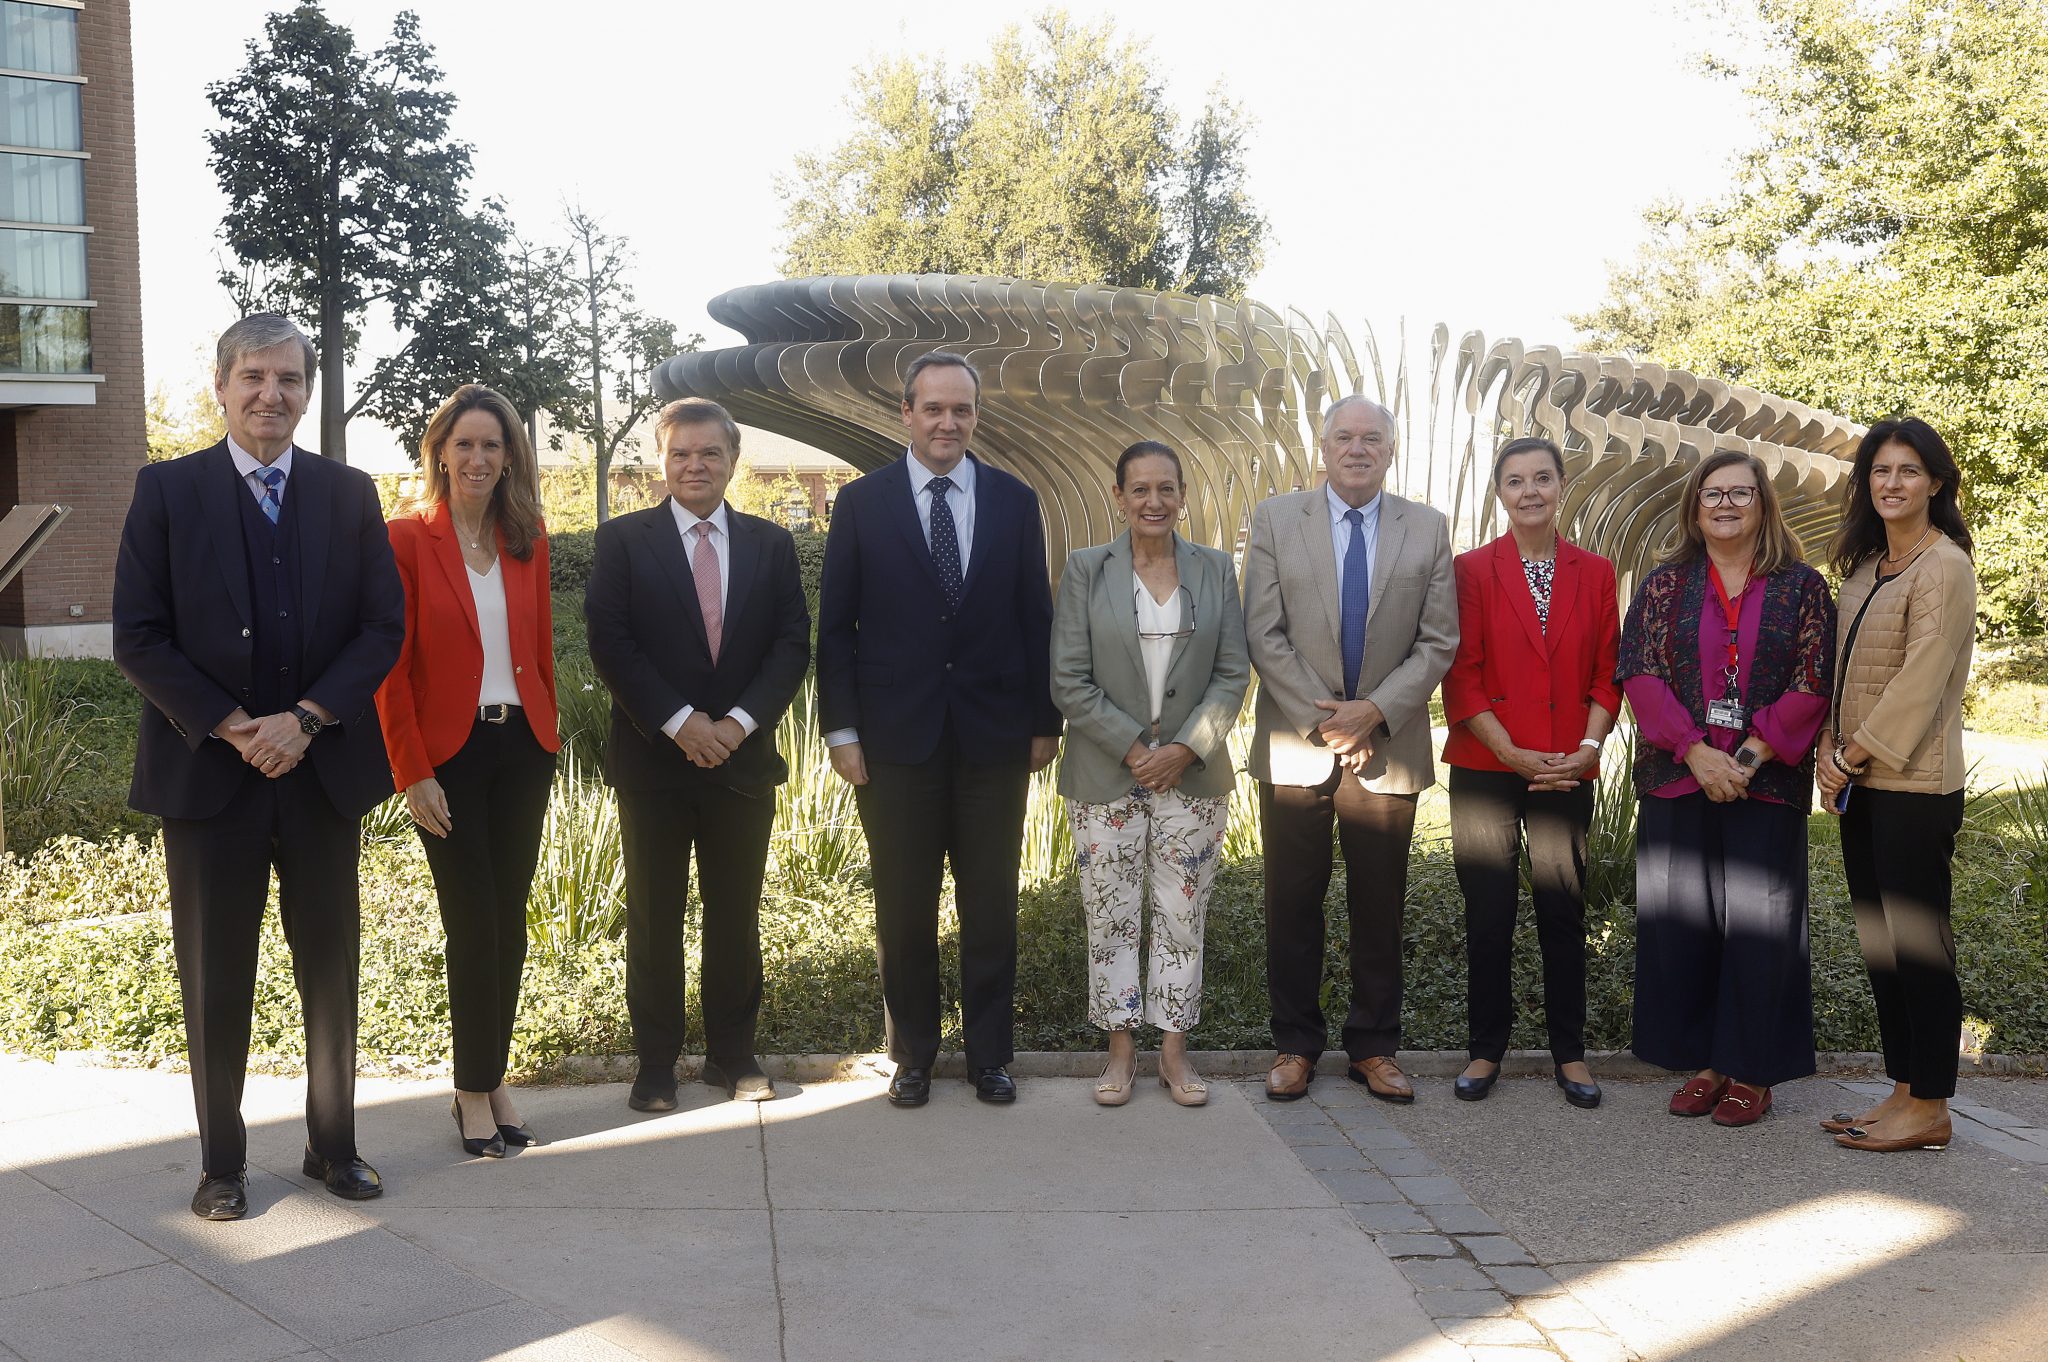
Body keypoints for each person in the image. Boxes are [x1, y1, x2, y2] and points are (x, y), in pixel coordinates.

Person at [112, 314, 405, 1220]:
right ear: (221, 385)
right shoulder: (166, 492)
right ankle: (222, 1164)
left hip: (318, 775)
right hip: (210, 780)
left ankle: (333, 1145)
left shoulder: (348, 492)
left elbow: (381, 629)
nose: (270, 395)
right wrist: (239, 726)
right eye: (253, 377)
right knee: (215, 975)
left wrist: (307, 720)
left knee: (329, 967)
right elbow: (139, 638)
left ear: (308, 390)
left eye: (287, 379)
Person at [817, 352, 1063, 1108]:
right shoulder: (862, 504)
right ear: (907, 414)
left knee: (990, 905)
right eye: (933, 408)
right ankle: (913, 1056)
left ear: (976, 417)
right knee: (904, 905)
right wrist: (841, 733)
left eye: (961, 410)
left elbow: (1034, 618)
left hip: (993, 740)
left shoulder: (1016, 501)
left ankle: (991, 1055)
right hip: (894, 745)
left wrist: (1043, 722)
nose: (947, 422)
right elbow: (837, 631)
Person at [584, 398, 811, 1110]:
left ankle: (732, 1055)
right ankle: (656, 1063)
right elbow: (612, 643)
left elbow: (790, 645)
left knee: (735, 914)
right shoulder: (623, 541)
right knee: (654, 916)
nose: (695, 465)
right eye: (681, 453)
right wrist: (682, 723)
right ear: (662, 460)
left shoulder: (771, 545)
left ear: (732, 462)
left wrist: (736, 725)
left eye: (710, 453)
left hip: (740, 764)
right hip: (655, 762)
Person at [1243, 396, 1458, 1104]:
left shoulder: (1426, 528)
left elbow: (1437, 640)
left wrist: (1374, 713)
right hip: (1297, 746)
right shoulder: (1277, 520)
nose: (1357, 448)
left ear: (1391, 451)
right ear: (1322, 448)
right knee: (1292, 901)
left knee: (1379, 905)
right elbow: (1264, 631)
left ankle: (1374, 1047)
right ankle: (1294, 1045)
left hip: (1387, 746)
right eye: (1344, 437)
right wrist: (1330, 722)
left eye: (1372, 438)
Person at [1617, 449, 1834, 1128]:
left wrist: (1741, 757)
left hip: (1764, 782)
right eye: (1714, 494)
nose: (1727, 505)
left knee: (1760, 925)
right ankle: (1708, 1063)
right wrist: (1695, 753)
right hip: (1679, 779)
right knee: (1690, 924)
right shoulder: (1662, 586)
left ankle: (1754, 1071)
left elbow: (1813, 679)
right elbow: (1640, 674)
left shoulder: (1802, 587)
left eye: (1741, 493)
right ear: (1695, 506)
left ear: (1763, 504)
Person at [375, 385, 561, 1158]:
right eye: (465, 445)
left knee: (509, 923)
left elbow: (542, 647)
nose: (479, 459)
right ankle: (469, 1088)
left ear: (509, 456)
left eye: (494, 445)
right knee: (471, 921)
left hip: (522, 749)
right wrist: (410, 771)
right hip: (447, 756)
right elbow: (391, 667)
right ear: (440, 454)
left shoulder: (529, 537)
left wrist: (549, 737)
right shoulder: (406, 539)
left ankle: (493, 1078)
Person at [1051, 441, 1250, 1107]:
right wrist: (1137, 747)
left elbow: (1231, 674)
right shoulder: (1086, 569)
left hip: (1190, 778)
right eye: (1140, 490)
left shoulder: (1216, 569)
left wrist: (1186, 748)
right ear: (1119, 497)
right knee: (1110, 918)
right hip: (1107, 775)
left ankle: (1172, 1052)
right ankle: (1119, 1053)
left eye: (1166, 488)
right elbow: (1068, 679)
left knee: (1181, 915)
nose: (1154, 502)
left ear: (1183, 495)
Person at [1440, 436, 1618, 1109]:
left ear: (1562, 485)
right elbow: (1463, 674)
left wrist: (1588, 748)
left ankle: (1569, 1054)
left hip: (1568, 764)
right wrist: (1511, 751)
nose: (1530, 491)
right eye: (1516, 481)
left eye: (1542, 478)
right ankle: (1486, 1049)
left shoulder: (1596, 572)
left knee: (1561, 910)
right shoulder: (1472, 569)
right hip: (1488, 763)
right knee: (1487, 915)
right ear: (1500, 493)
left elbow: (1608, 673)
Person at [1816, 418, 1976, 1154]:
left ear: (1935, 483)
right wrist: (1831, 751)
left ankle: (1933, 1104)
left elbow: (1919, 681)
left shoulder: (1943, 566)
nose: (1892, 483)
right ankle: (1906, 1090)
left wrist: (1850, 755)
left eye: (1908, 471)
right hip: (1863, 780)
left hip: (1914, 785)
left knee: (1919, 946)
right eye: (1880, 470)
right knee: (1883, 943)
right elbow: (1843, 676)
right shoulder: (1868, 568)